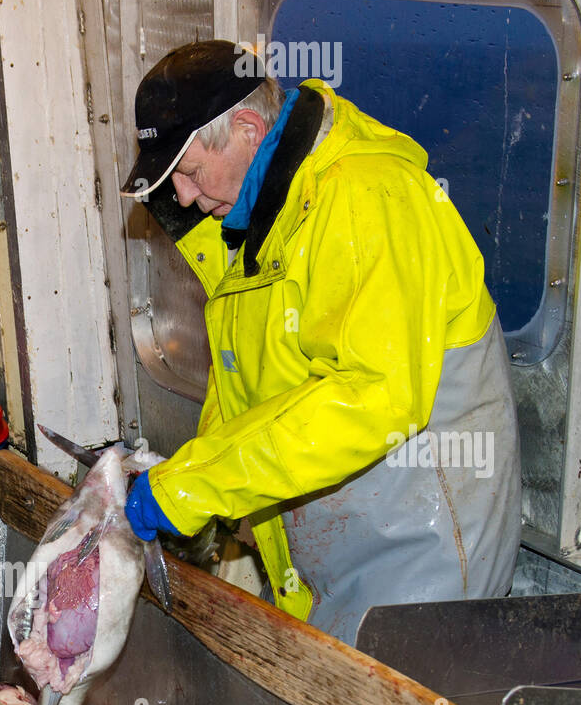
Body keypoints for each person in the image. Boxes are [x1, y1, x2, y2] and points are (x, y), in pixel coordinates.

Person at [119, 40, 522, 645]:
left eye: (191, 172)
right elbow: (243, 392)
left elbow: (370, 397)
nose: (180, 198)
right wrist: (199, 485)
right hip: (334, 549)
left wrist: (195, 486)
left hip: (420, 554)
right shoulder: (257, 224)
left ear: (249, 129)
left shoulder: (369, 197)